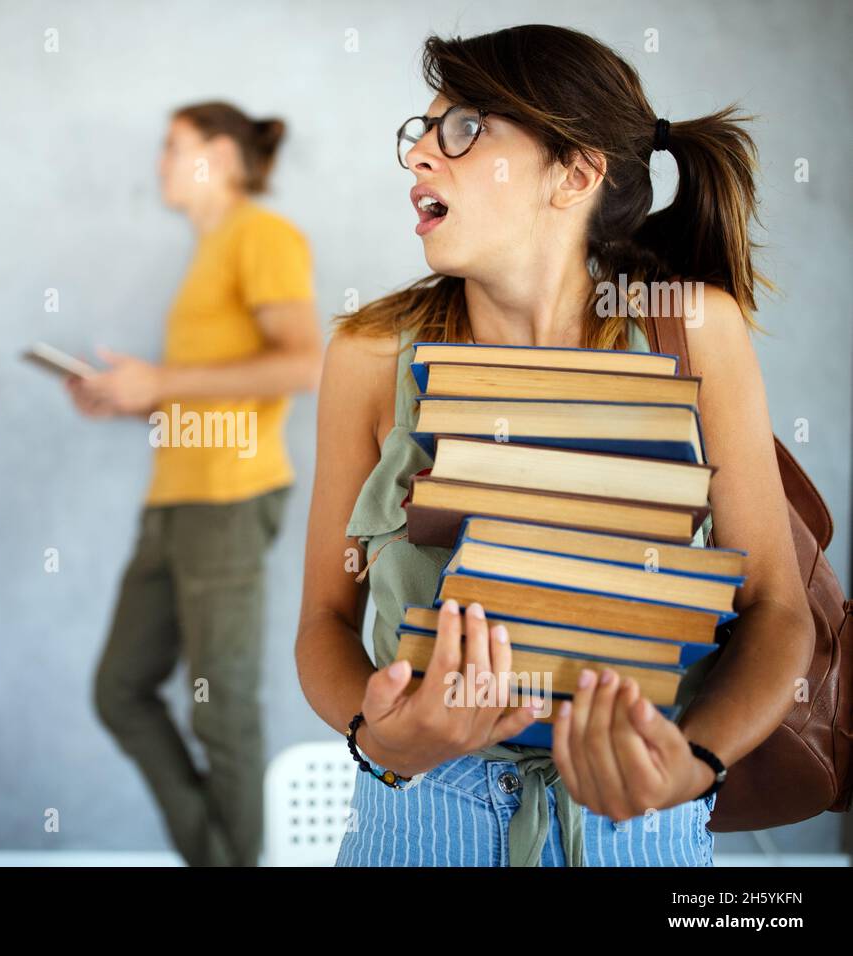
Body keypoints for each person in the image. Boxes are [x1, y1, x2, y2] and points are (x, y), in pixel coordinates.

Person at [295, 26, 815, 866]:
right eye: (419, 133)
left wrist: (693, 764)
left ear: (573, 174)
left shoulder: (691, 329)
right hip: (418, 816)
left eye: (461, 128)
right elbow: (323, 620)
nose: (420, 155)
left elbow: (778, 612)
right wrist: (378, 735)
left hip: (640, 819)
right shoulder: (369, 354)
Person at [69, 101, 321, 866]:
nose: (159, 163)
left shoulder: (263, 235)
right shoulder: (208, 250)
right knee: (120, 690)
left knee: (223, 715)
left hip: (229, 503)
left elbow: (306, 362)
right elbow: (210, 390)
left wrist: (162, 379)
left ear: (218, 151)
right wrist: (130, 399)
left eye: (171, 146)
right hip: (173, 503)